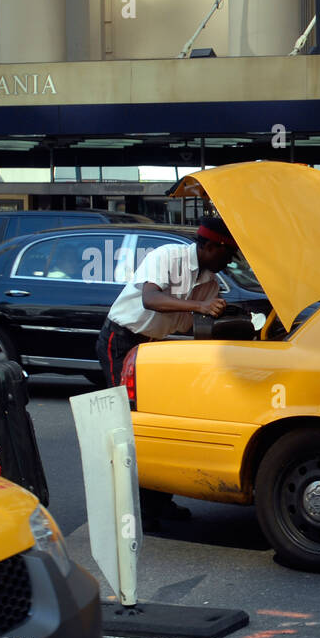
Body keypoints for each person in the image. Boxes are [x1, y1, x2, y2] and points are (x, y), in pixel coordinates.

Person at [95, 216, 236, 527]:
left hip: (152, 347)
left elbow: (188, 325)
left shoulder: (210, 282)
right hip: (121, 339)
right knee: (126, 424)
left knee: (151, 426)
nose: (230, 261)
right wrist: (200, 308)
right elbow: (151, 298)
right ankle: (128, 507)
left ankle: (156, 502)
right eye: (227, 253)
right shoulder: (167, 257)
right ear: (210, 246)